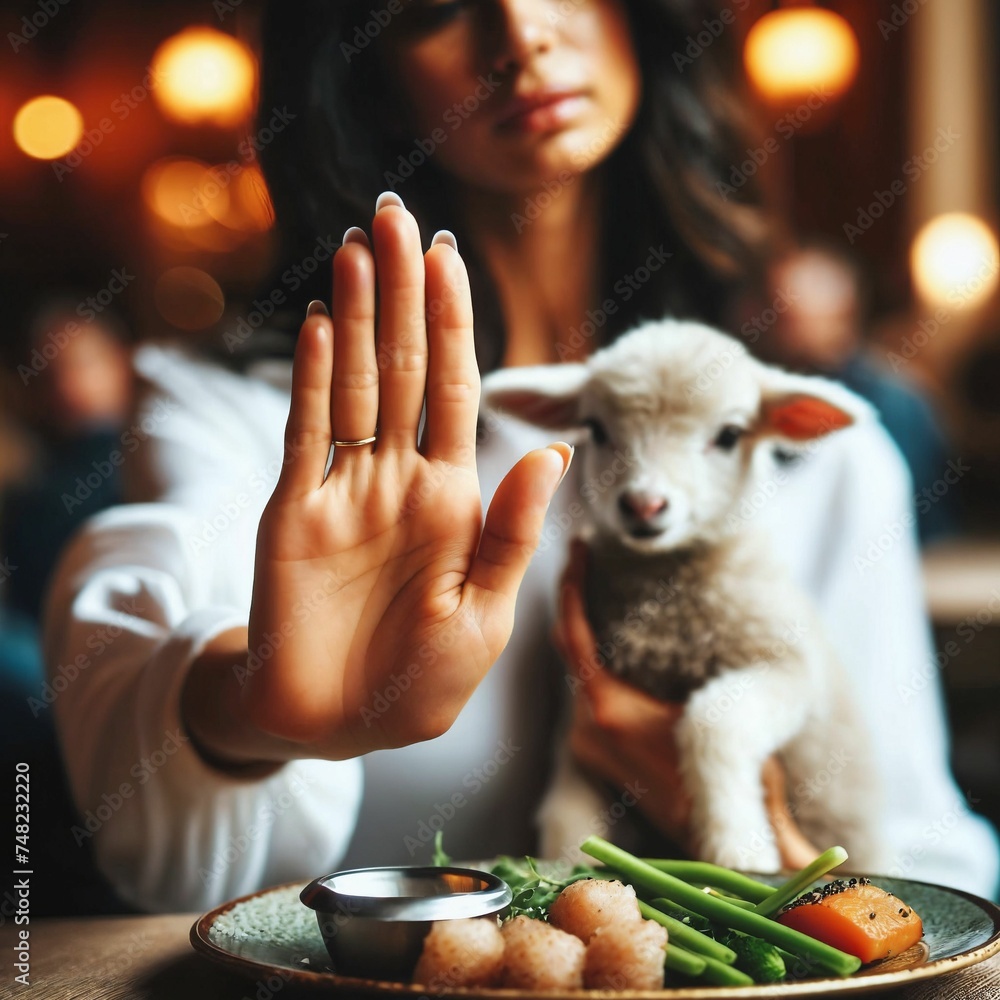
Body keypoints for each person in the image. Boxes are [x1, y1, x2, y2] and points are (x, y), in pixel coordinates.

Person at [43, 0, 999, 914]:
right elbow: (150, 837)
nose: (522, 32)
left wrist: (755, 832)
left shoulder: (810, 449)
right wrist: (254, 709)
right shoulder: (249, 418)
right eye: (437, 4)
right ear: (360, 61)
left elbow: (924, 865)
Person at [757, 243, 959, 544]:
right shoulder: (763, 394)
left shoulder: (896, 402)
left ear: (842, 314)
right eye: (770, 309)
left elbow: (922, 520)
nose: (768, 325)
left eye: (786, 316)